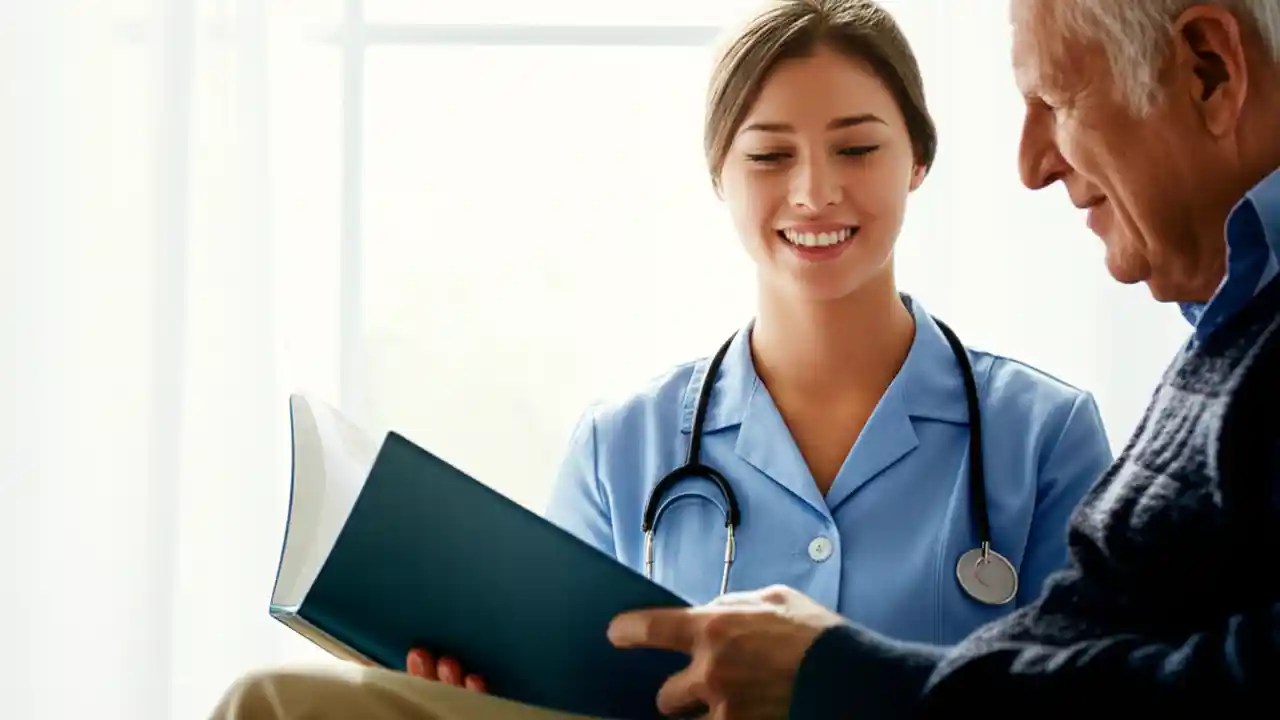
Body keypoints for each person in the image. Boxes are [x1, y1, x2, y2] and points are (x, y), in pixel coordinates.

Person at [204, 0, 1128, 717]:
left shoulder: (1043, 436)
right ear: (718, 174)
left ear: (918, 160)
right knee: (278, 705)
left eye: (856, 148)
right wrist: (483, 693)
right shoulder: (623, 445)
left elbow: (1091, 695)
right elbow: (563, 690)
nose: (815, 192)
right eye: (769, 157)